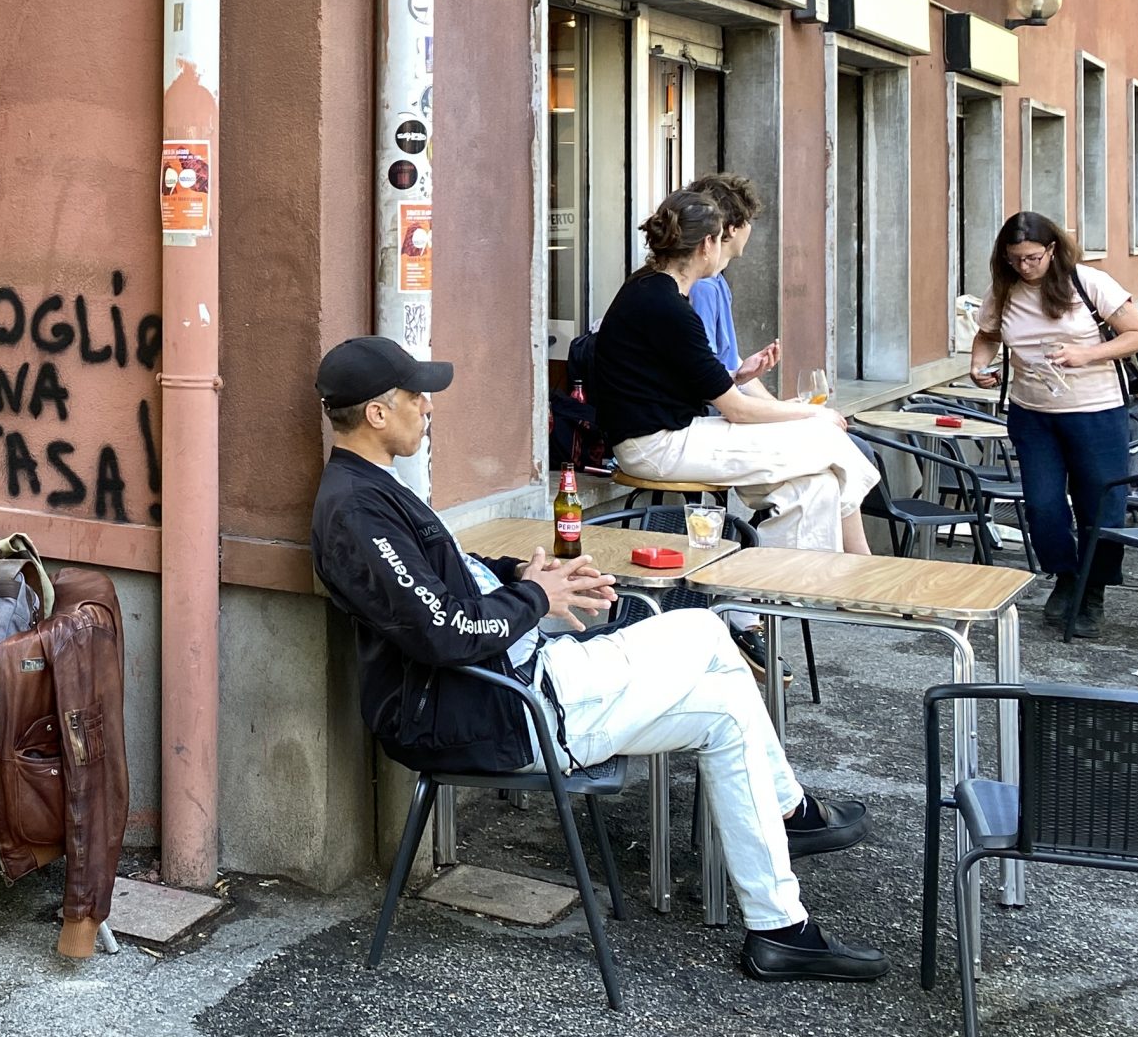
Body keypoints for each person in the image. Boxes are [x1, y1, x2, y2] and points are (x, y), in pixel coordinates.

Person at [308, 335, 884, 983]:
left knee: (717, 676)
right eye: (417, 396)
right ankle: (789, 834)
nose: (428, 407)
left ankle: (782, 919)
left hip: (513, 686)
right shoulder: (355, 510)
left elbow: (448, 586)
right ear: (378, 413)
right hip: (500, 710)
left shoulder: (371, 489)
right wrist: (535, 595)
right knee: (708, 647)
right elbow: (441, 628)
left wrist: (516, 571)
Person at [591, 192, 878, 555]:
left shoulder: (648, 287)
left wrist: (737, 377)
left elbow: (672, 377)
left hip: (663, 436)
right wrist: (814, 411)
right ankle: (858, 570)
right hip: (657, 445)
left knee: (817, 485)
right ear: (707, 244)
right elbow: (738, 411)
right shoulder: (667, 307)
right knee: (827, 438)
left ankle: (760, 605)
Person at [967, 211, 1138, 634]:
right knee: (1043, 506)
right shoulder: (1005, 289)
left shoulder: (1089, 283)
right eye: (1015, 259)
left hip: (1096, 411)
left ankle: (1093, 591)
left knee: (1100, 506)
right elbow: (988, 334)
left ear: (1051, 250)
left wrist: (1085, 354)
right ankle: (1066, 575)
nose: (1024, 267)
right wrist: (979, 365)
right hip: (1032, 414)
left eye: (1032, 257)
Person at [683, 173, 780, 392]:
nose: (750, 229)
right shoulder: (703, 287)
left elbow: (730, 363)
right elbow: (704, 377)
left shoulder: (716, 283)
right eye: (747, 221)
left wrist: (780, 409)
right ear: (732, 228)